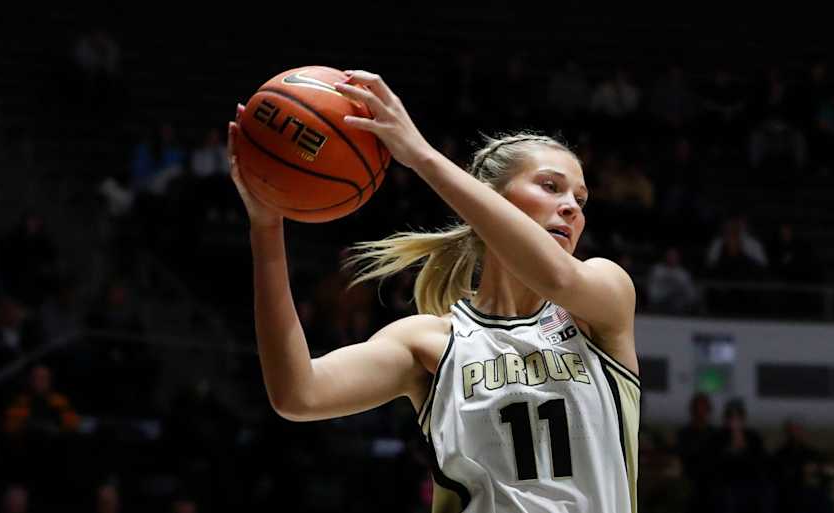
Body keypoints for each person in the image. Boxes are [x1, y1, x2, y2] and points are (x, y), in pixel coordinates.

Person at [227, 69, 640, 513]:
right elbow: (297, 395)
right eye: (551, 186)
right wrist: (266, 228)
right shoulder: (430, 342)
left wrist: (421, 155)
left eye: (580, 199)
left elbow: (556, 278)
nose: (570, 207)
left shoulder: (602, 296)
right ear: (488, 199)